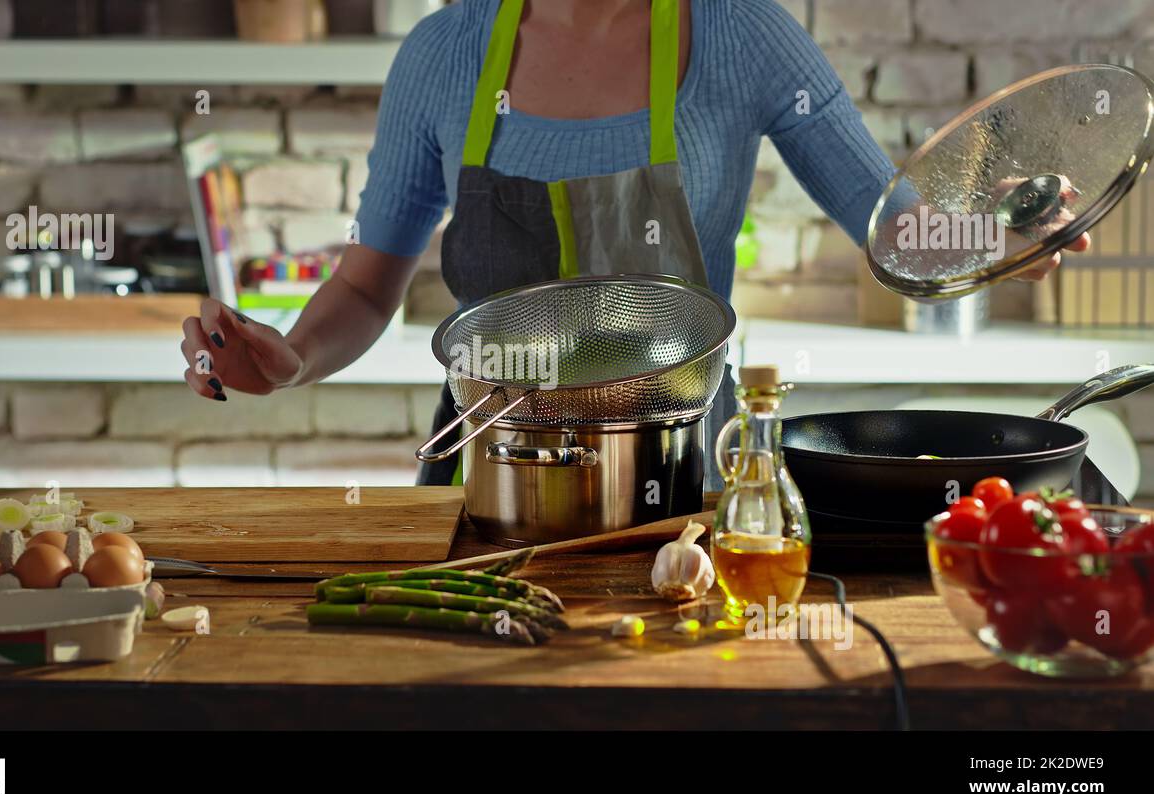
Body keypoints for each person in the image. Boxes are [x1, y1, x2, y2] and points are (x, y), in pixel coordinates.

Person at [179, 0, 1088, 488]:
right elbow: (365, 287)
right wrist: (294, 359)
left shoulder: (742, 31)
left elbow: (895, 227)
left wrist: (997, 234)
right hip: (491, 482)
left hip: (684, 483)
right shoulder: (443, 52)